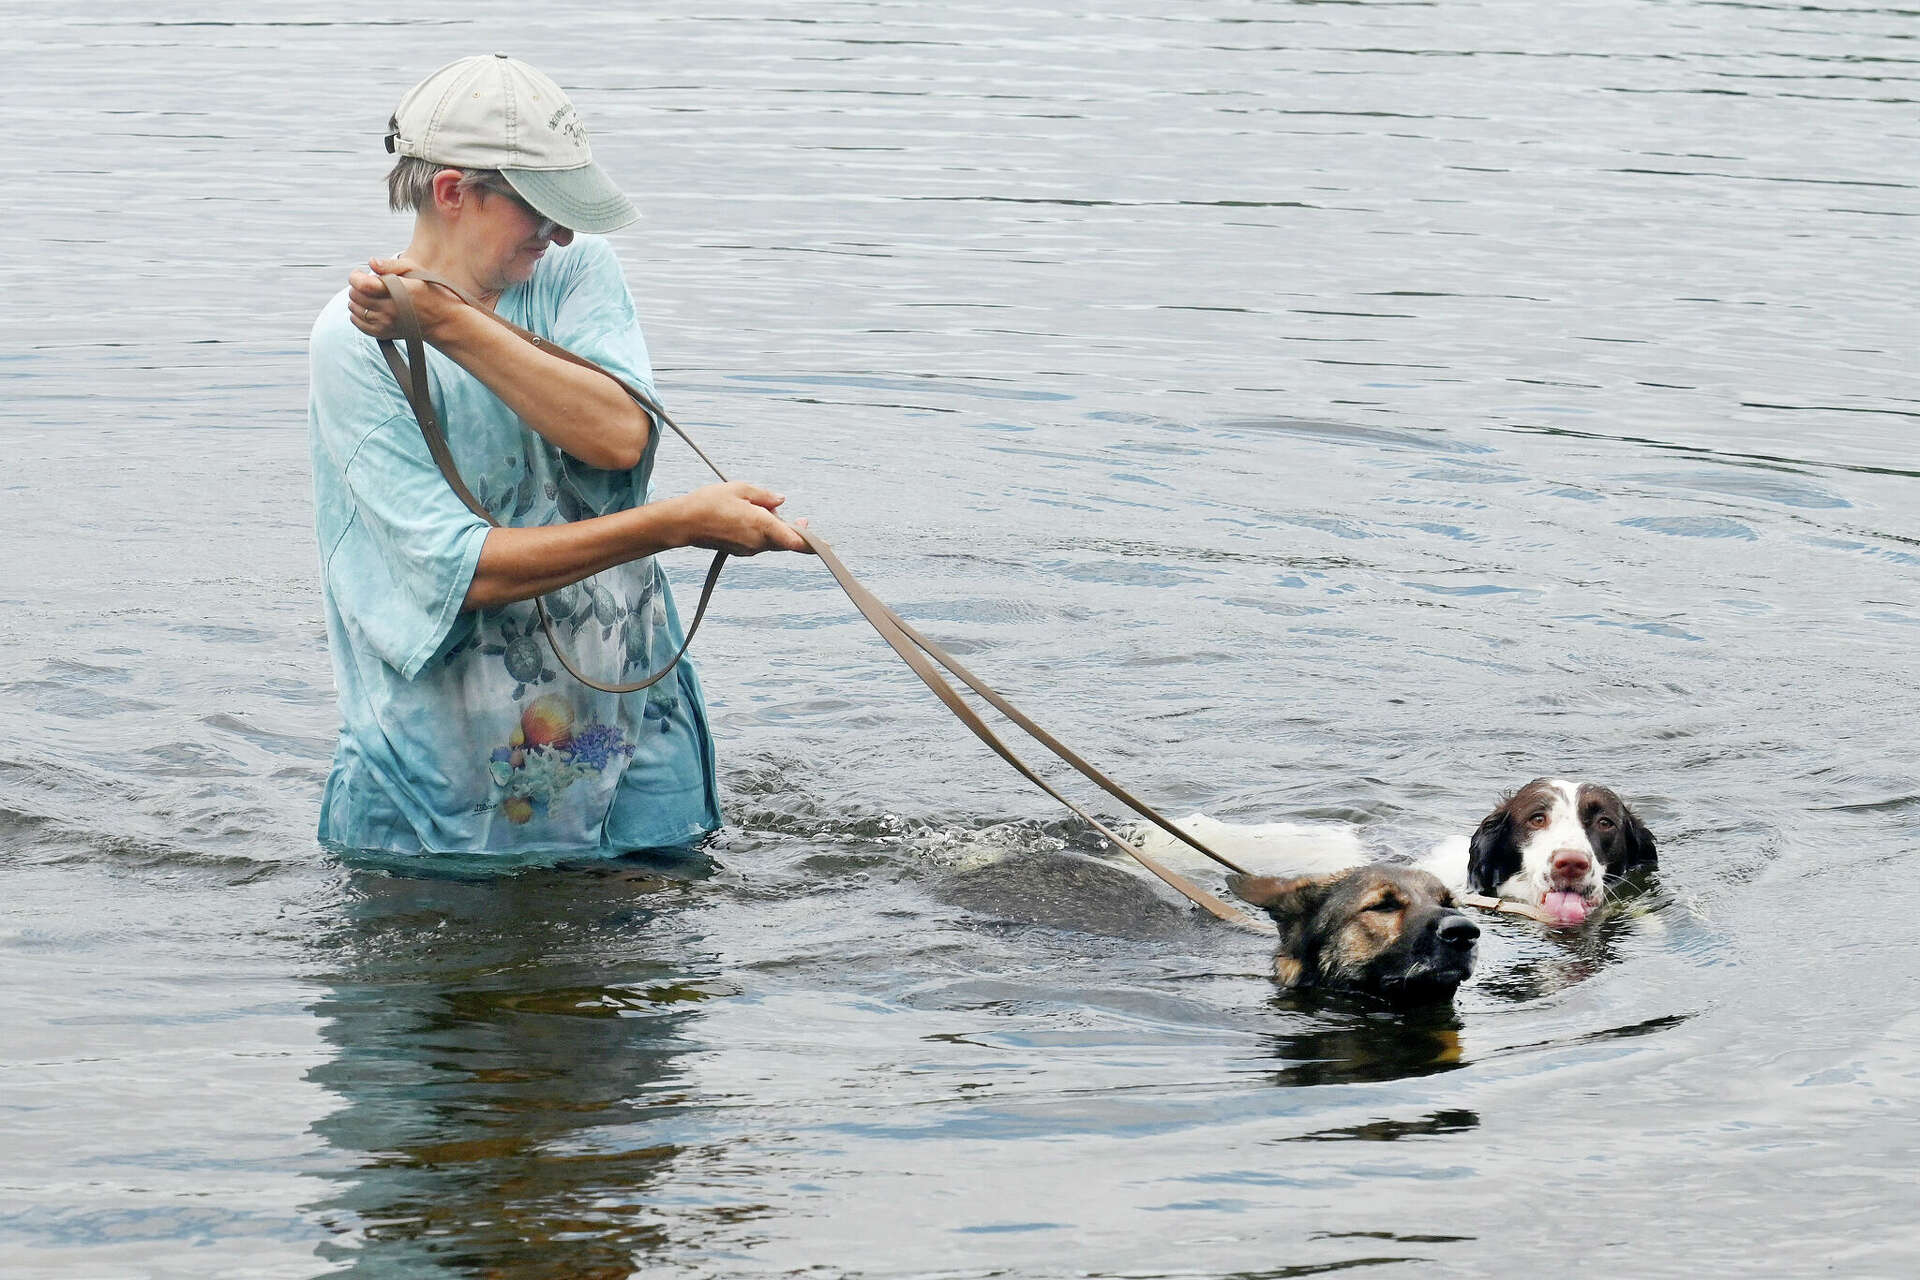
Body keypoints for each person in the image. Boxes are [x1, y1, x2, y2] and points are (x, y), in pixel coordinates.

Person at [308, 53, 808, 864]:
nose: (562, 231)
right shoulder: (354, 346)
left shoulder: (573, 272)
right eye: (541, 207)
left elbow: (617, 436)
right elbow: (463, 574)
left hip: (632, 754)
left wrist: (449, 324)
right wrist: (675, 525)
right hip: (449, 795)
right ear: (453, 193)